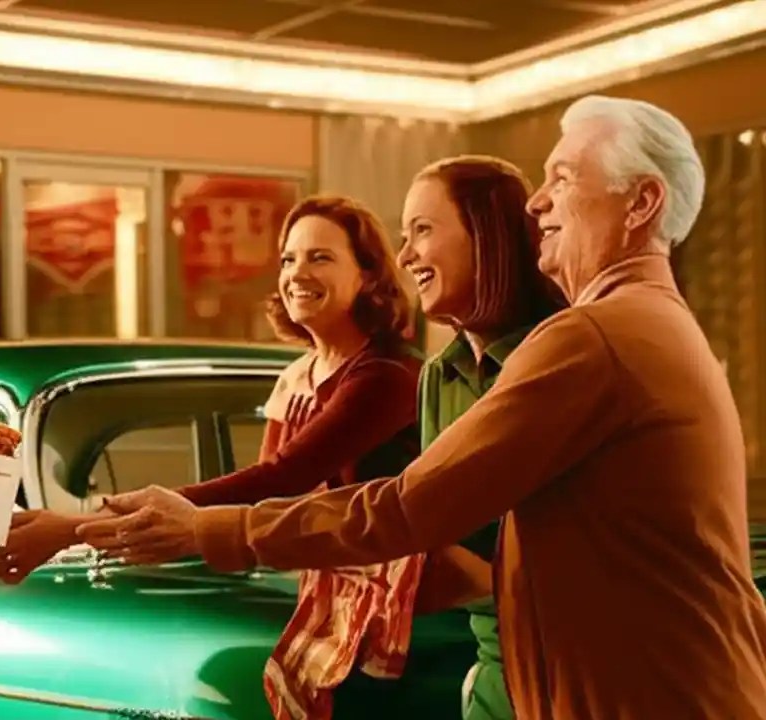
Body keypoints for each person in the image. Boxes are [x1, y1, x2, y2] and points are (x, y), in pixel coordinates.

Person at [78, 95, 766, 719]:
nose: (535, 204)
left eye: (561, 178)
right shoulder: (647, 323)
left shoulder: (597, 336)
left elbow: (410, 507)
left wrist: (205, 531)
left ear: (642, 201)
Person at [0, 195, 480, 718]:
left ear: (369, 276)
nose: (297, 273)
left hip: (409, 611)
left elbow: (280, 479)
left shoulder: (386, 378)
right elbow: (261, 491)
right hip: (320, 596)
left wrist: (68, 528)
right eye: (288, 259)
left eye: (320, 257)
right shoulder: (299, 375)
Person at [396, 155, 566, 720]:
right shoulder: (436, 376)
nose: (405, 256)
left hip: (577, 677)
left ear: (487, 235)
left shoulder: (563, 356)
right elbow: (425, 520)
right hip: (493, 672)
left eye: (422, 230)